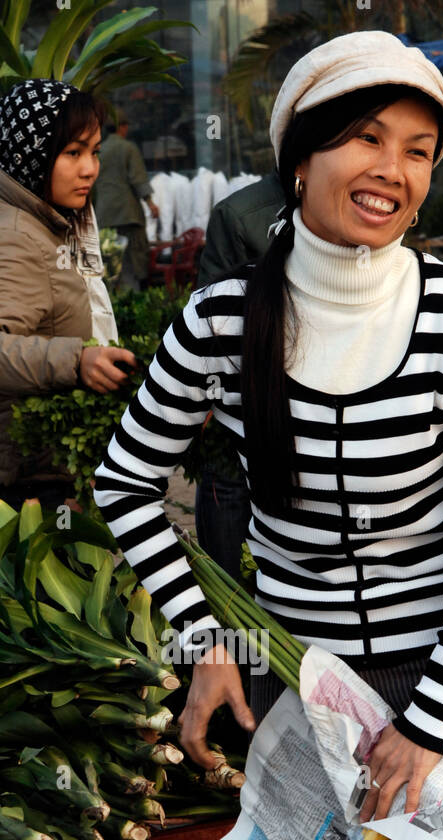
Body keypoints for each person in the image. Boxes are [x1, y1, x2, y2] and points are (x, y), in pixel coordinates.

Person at [94, 31, 443, 823]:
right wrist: (204, 637)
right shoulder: (221, 319)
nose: (391, 171)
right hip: (294, 680)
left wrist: (424, 724)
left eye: (417, 150)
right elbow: (124, 480)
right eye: (366, 138)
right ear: (299, 159)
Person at [0, 79, 135, 512]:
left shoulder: (40, 219)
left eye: (94, 152)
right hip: (5, 494)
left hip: (26, 480)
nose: (89, 169)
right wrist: (74, 361)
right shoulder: (11, 236)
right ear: (32, 154)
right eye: (72, 153)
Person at [193, 172, 282, 579]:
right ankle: (227, 604)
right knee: (228, 480)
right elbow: (213, 319)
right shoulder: (239, 214)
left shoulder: (354, 200)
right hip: (250, 396)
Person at [92, 114, 158, 291]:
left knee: (110, 262)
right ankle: (134, 299)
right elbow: (138, 179)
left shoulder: (99, 150)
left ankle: (114, 302)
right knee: (133, 263)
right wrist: (151, 203)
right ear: (123, 127)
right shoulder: (128, 148)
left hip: (104, 215)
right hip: (128, 215)